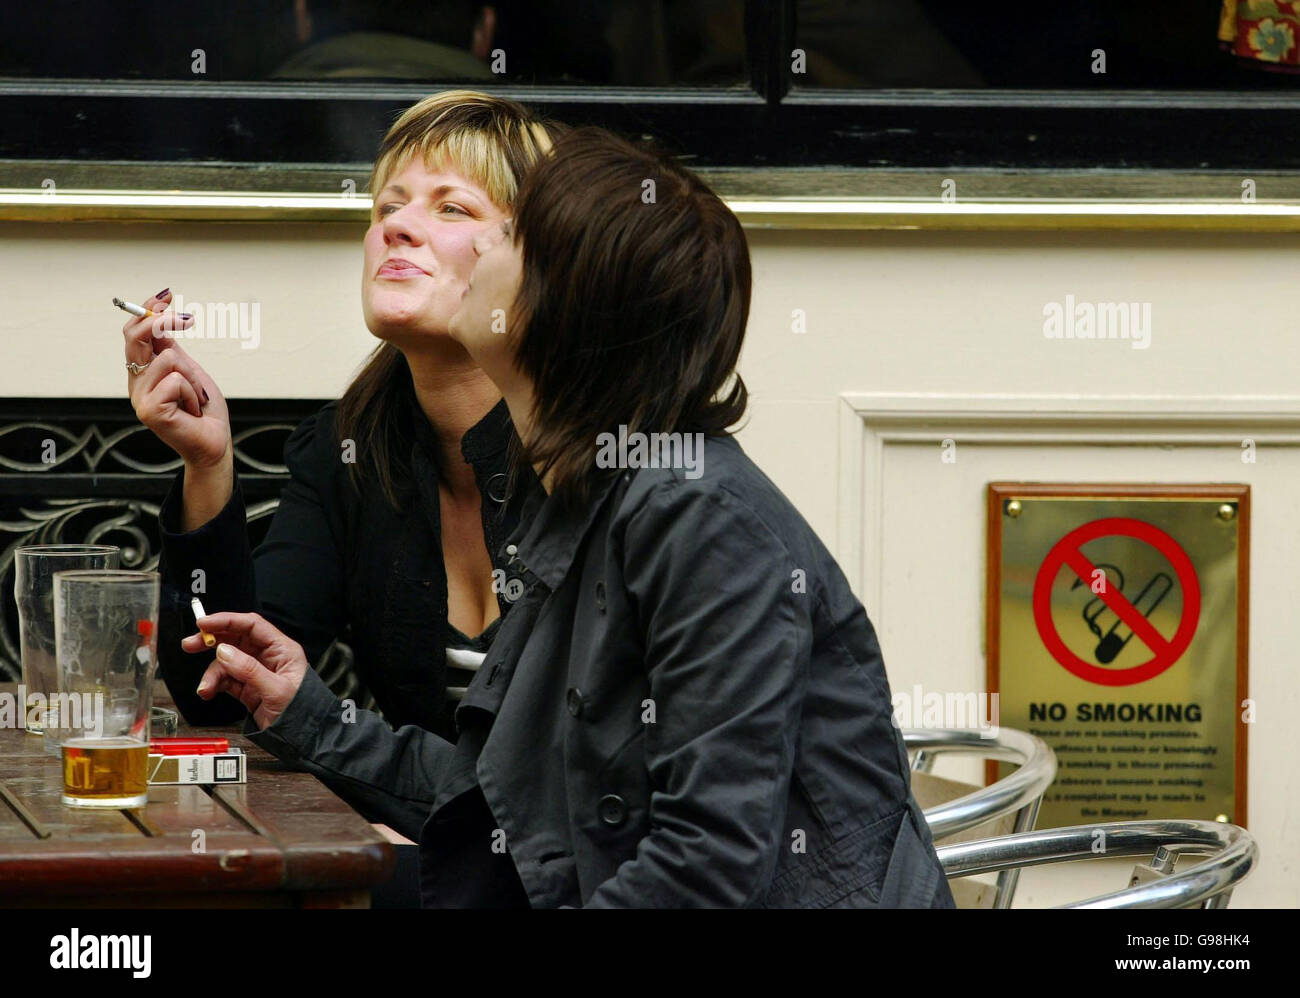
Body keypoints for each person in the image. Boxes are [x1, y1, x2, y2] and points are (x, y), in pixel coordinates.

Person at [187, 126, 956, 908]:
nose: (475, 253)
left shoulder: (701, 515)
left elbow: (706, 870)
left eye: (510, 236)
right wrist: (307, 712)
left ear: (569, 304)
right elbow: (501, 796)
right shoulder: (589, 494)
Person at [121, 91, 556, 740]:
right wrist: (207, 463)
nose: (397, 226)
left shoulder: (592, 451)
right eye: (388, 206)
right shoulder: (349, 448)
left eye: (452, 207)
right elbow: (223, 698)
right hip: (423, 836)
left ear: (539, 259)